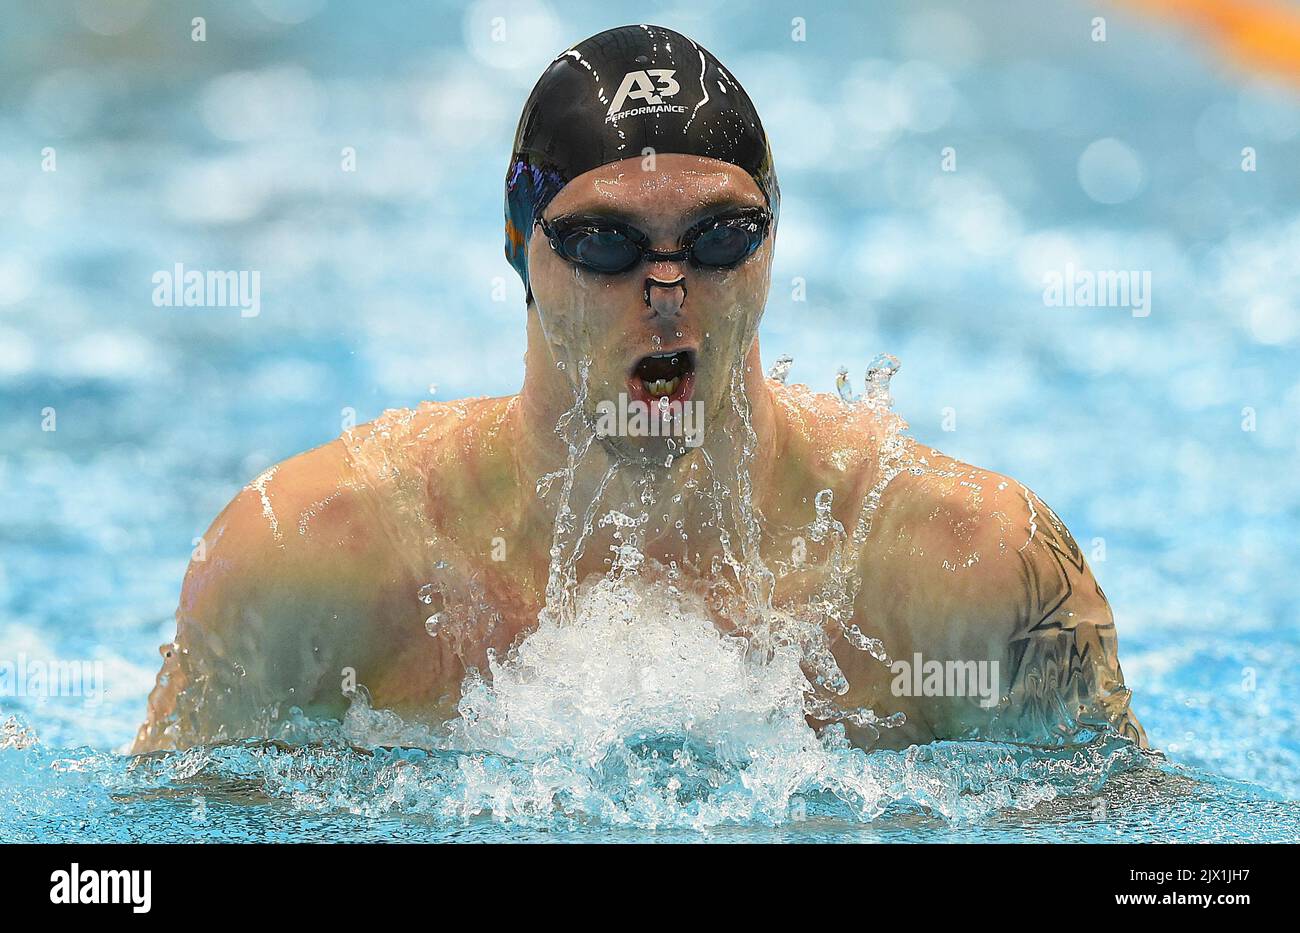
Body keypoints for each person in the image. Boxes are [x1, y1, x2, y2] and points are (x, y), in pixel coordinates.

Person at [133, 24, 1145, 754]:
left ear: (771, 240)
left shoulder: (967, 567)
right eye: (605, 244)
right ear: (517, 250)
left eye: (718, 237)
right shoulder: (311, 562)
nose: (667, 295)